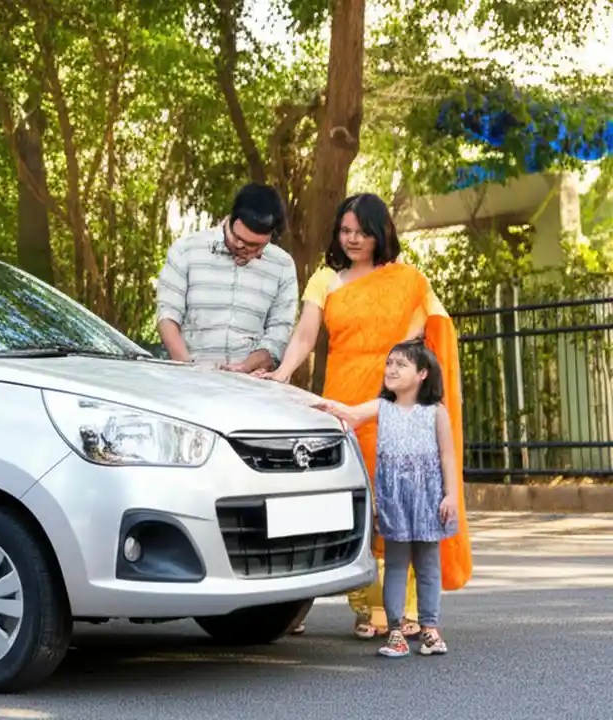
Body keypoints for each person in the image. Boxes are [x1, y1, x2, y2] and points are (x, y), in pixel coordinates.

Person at [254, 192, 472, 639]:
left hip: (396, 403)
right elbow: (305, 334)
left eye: (361, 232)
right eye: (345, 231)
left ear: (380, 233)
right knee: (362, 500)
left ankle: (406, 609)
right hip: (344, 399)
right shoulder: (325, 280)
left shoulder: (408, 280)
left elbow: (422, 338)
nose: (352, 239)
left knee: (405, 498)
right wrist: (283, 373)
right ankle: (367, 607)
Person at [313, 340, 459, 657]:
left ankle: (430, 627)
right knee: (394, 564)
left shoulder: (436, 412)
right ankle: (395, 632)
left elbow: (448, 456)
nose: (391, 369)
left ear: (422, 373)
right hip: (394, 499)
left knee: (428, 565)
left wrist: (451, 496)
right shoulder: (382, 407)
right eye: (389, 363)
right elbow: (351, 415)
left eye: (401, 364)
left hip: (428, 498)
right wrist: (326, 407)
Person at [155, 183, 299, 373]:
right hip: (190, 380)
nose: (242, 246)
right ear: (232, 219)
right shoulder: (186, 251)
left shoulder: (282, 265)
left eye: (253, 246)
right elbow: (167, 316)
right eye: (237, 238)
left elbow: (279, 331)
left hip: (250, 386)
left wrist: (245, 367)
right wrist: (187, 371)